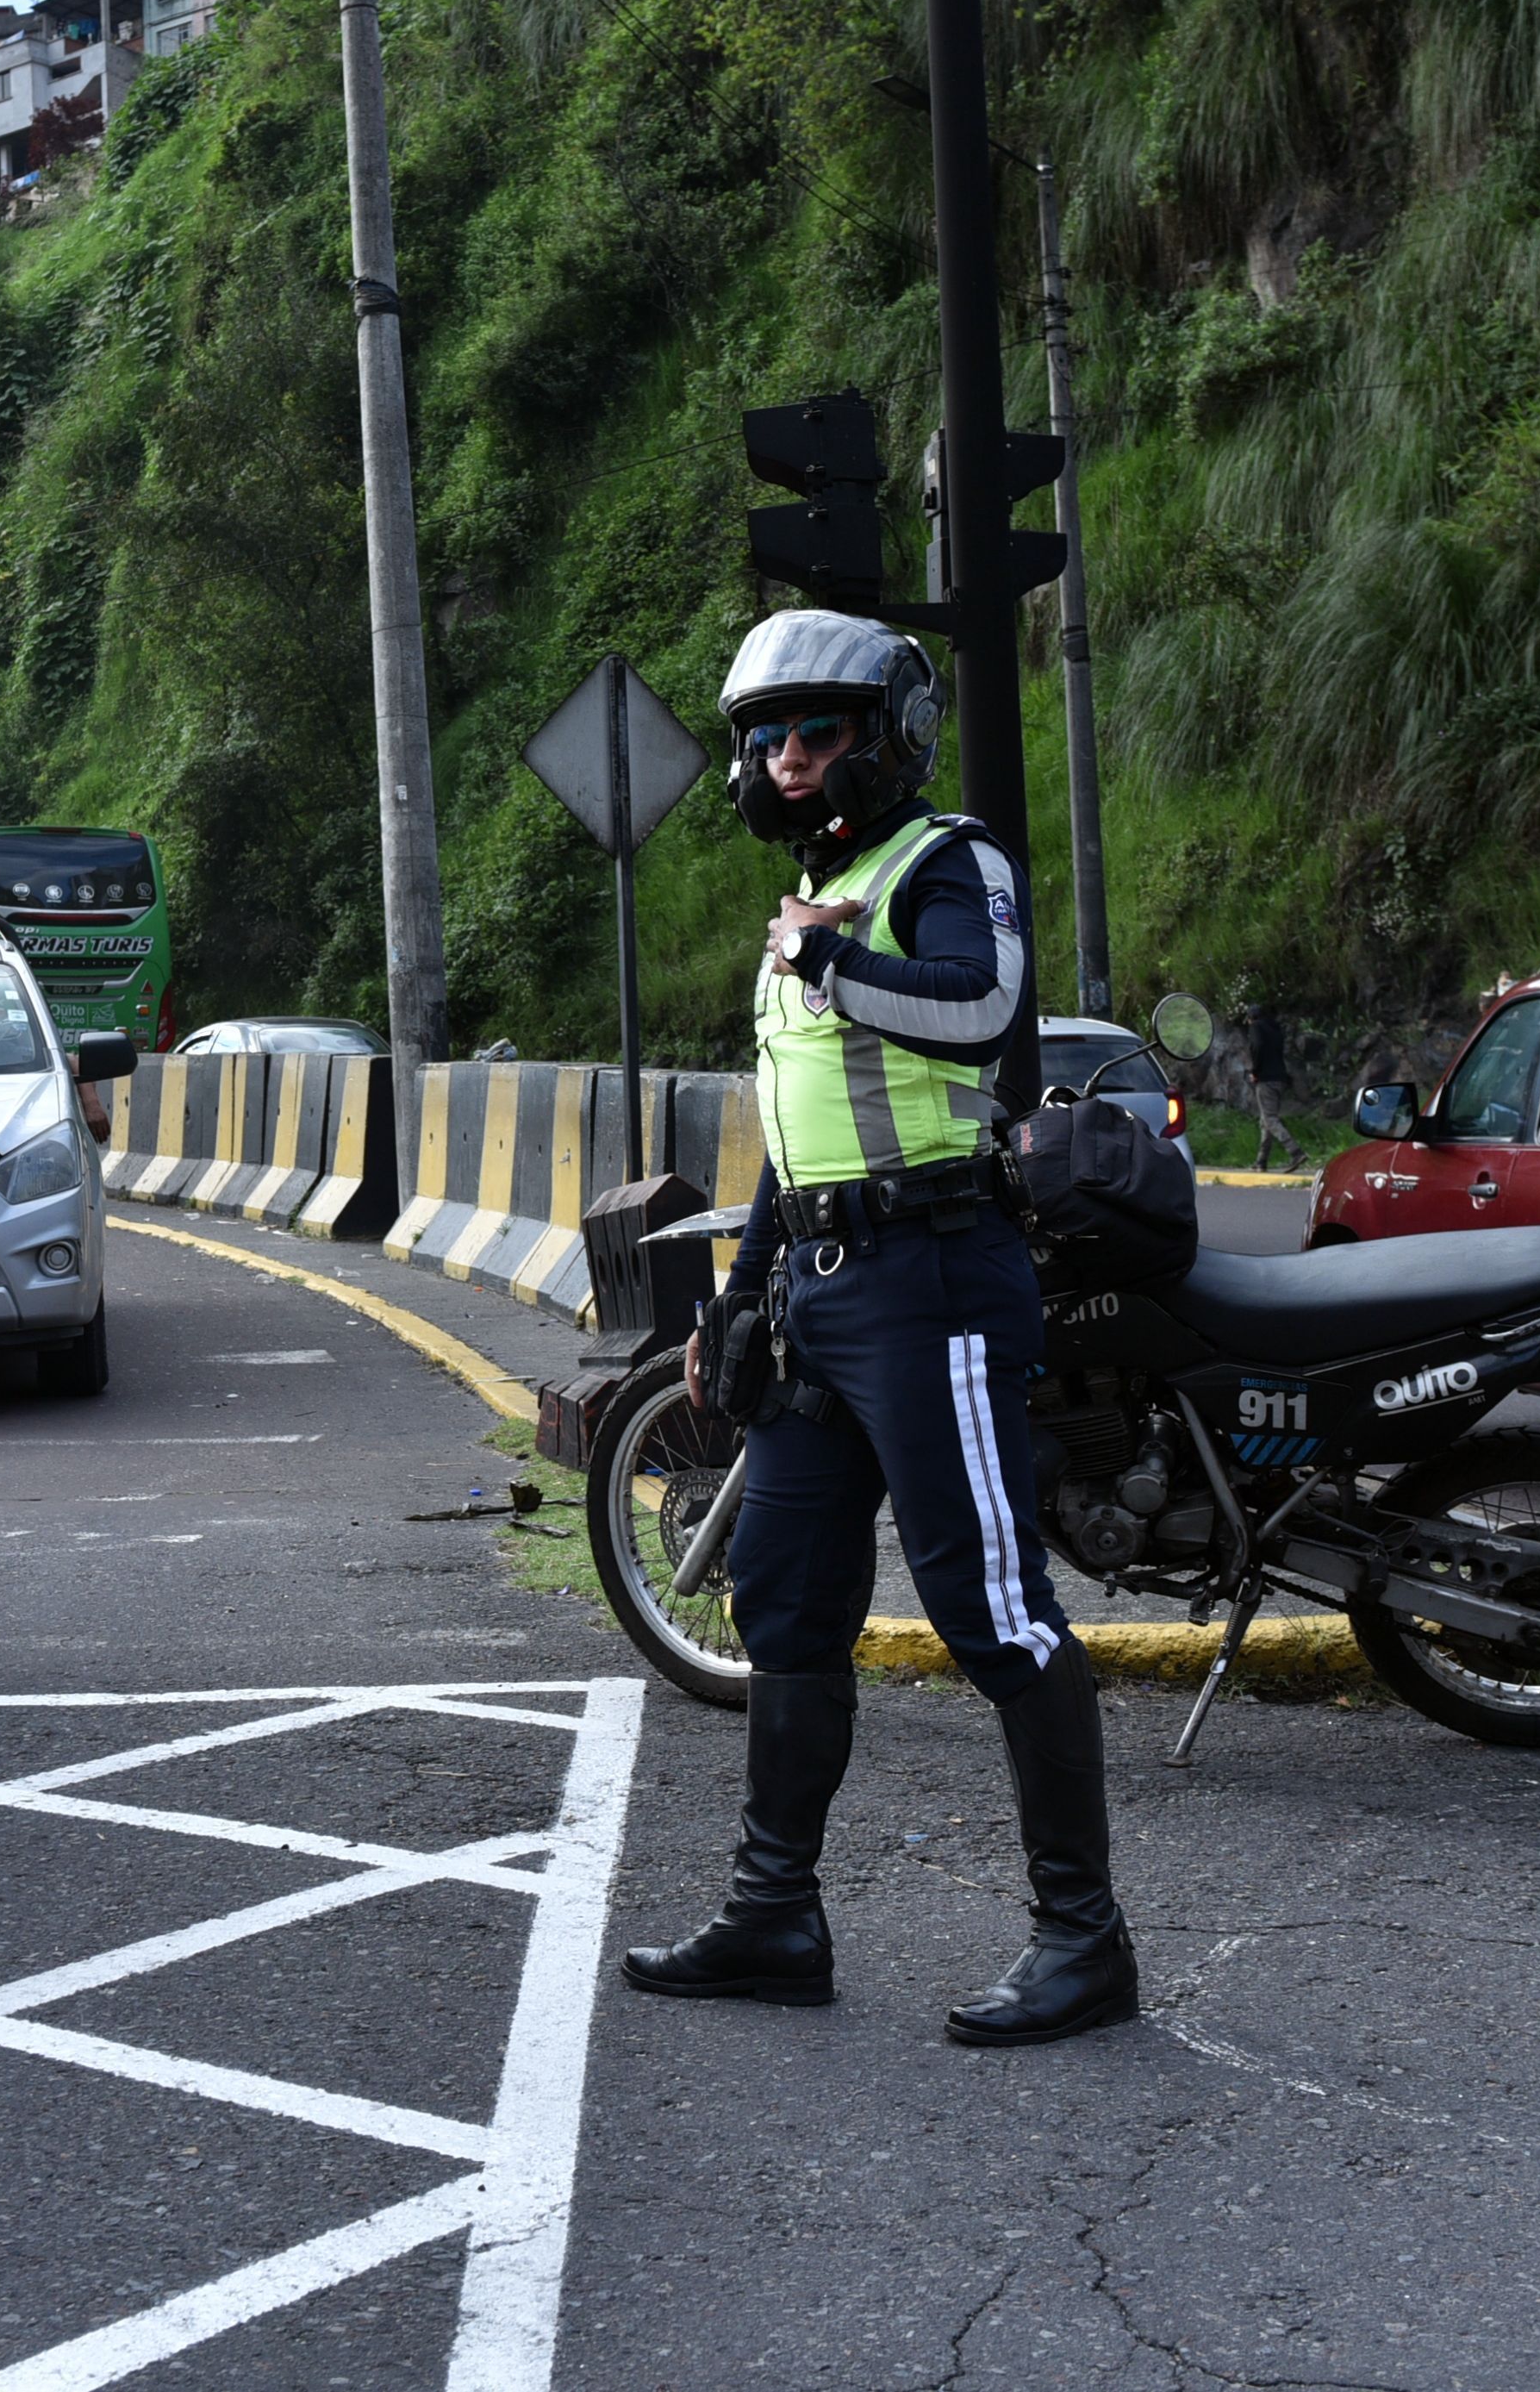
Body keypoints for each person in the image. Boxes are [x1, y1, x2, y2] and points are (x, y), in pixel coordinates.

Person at [620, 607, 1137, 2047]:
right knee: (784, 1603)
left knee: (993, 1608)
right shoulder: (809, 897)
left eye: (817, 731)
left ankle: (1084, 1941)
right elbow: (800, 1144)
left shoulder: (943, 861)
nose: (787, 758)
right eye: (766, 736)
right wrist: (734, 1303)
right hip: (823, 1297)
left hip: (938, 1285)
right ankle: (776, 1914)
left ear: (883, 737)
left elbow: (983, 1010)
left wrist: (830, 963)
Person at [1244, 1002, 1307, 1172]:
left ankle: (1295, 1152)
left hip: (1266, 1079)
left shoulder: (1256, 1027)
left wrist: (1254, 1070)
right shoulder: (1275, 1029)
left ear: (1251, 1018)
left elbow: (1257, 1046)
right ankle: (1261, 1161)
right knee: (1266, 1121)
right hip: (1280, 1078)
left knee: (1270, 1119)